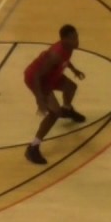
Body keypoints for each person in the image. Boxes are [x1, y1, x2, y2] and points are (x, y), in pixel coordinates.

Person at [22, 25, 86, 165]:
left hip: (50, 76)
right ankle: (33, 147)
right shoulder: (55, 54)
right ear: (65, 39)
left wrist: (74, 70)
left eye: (77, 36)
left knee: (71, 87)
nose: (77, 40)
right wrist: (40, 99)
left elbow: (66, 60)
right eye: (73, 38)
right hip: (37, 79)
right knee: (54, 113)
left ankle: (67, 110)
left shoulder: (67, 48)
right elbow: (38, 76)